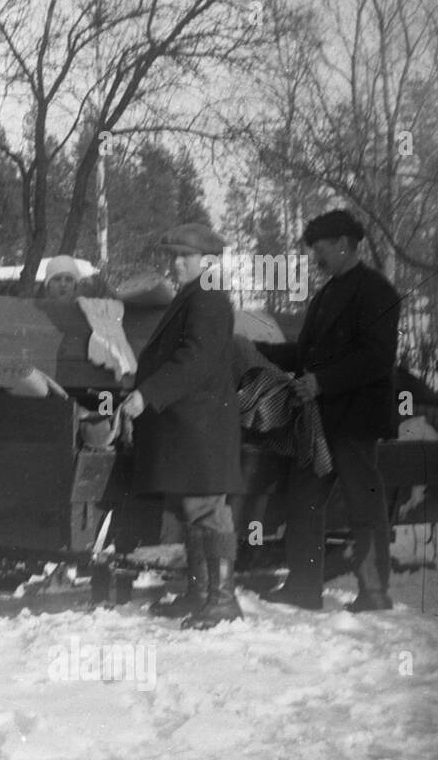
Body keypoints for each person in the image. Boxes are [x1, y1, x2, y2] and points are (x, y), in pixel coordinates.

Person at [255, 209, 400, 612]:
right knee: (303, 500)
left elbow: (377, 358)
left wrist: (322, 381)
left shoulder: (377, 292)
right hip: (318, 420)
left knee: (363, 503)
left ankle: (374, 592)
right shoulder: (326, 294)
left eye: (320, 250)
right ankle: (303, 586)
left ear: (343, 245)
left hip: (355, 421)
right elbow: (304, 354)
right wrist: (256, 351)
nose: (315, 259)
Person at [120, 222, 244, 629]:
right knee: (194, 510)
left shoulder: (206, 297)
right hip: (192, 425)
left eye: (185, 256)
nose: (176, 263)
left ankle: (222, 600)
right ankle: (199, 594)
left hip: (201, 426)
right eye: (174, 255)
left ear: (208, 261)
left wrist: (147, 394)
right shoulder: (195, 295)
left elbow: (194, 361)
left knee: (208, 510)